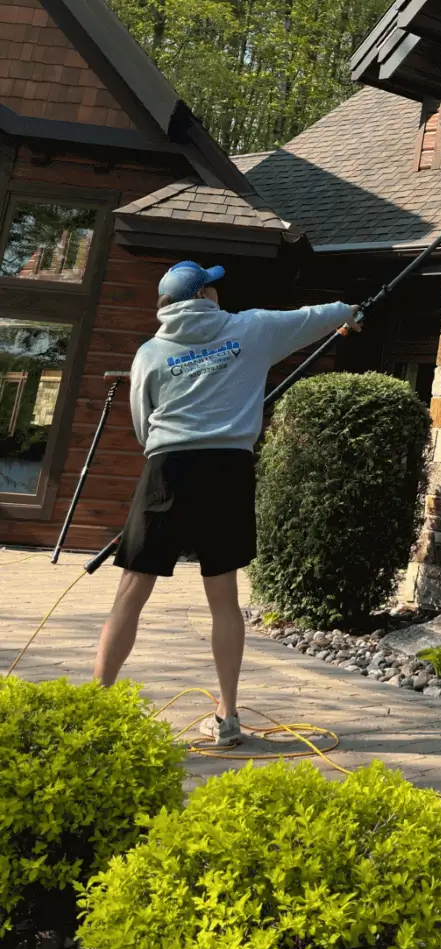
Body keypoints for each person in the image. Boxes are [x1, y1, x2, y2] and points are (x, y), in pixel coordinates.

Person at [93, 260, 360, 746]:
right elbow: (310, 316)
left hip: (167, 469)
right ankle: (228, 717)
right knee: (223, 599)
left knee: (132, 590)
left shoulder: (150, 353)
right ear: (206, 296)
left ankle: (94, 709)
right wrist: (349, 312)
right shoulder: (251, 329)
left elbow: (141, 424)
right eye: (213, 287)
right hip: (228, 470)